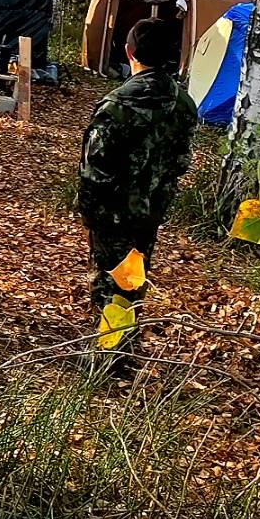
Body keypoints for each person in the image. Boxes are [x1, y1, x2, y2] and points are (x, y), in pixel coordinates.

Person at [77, 16, 198, 318]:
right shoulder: (183, 103)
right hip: (151, 212)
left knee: (108, 287)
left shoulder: (116, 105)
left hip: (112, 216)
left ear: (130, 53)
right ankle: (125, 348)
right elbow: (182, 160)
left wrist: (89, 213)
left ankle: (110, 359)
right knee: (133, 282)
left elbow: (94, 173)